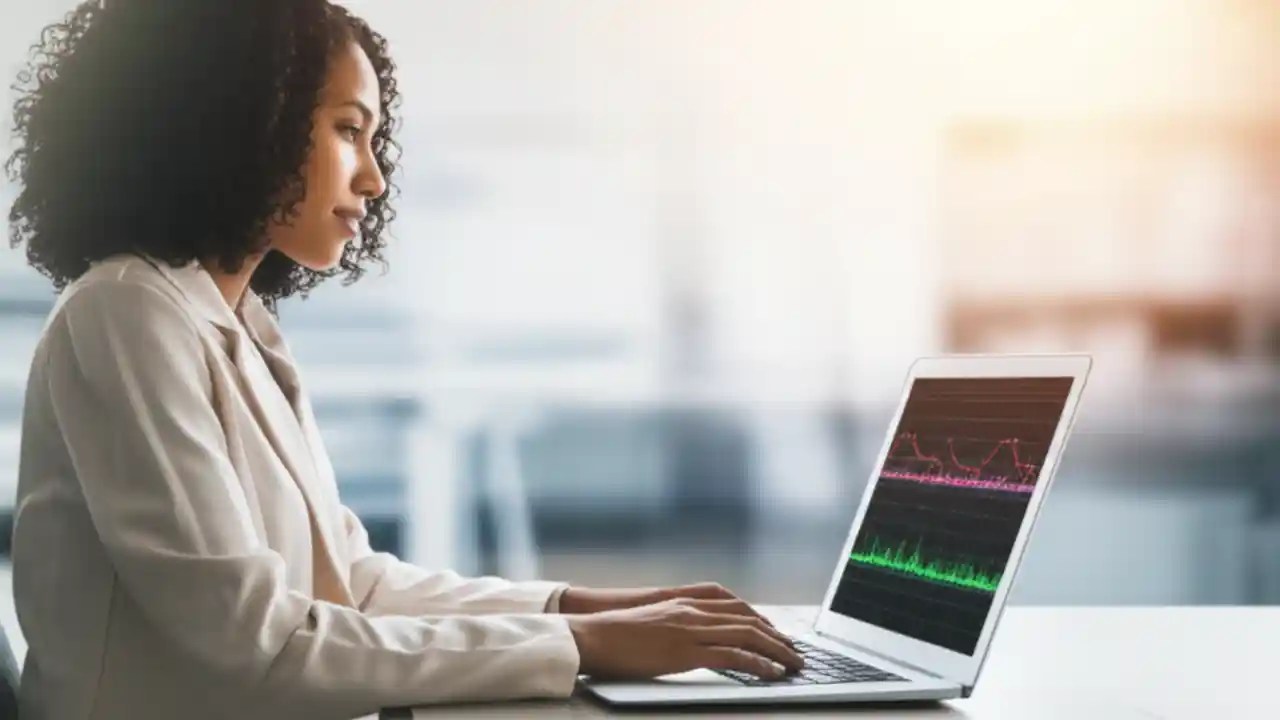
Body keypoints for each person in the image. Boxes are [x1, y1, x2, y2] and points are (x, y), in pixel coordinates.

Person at [4, 2, 803, 718]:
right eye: (349, 130)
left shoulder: (238, 326)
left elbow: (353, 586)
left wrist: (577, 608)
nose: (374, 175)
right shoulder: (125, 312)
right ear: (252, 121)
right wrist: (585, 647)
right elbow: (256, 644)